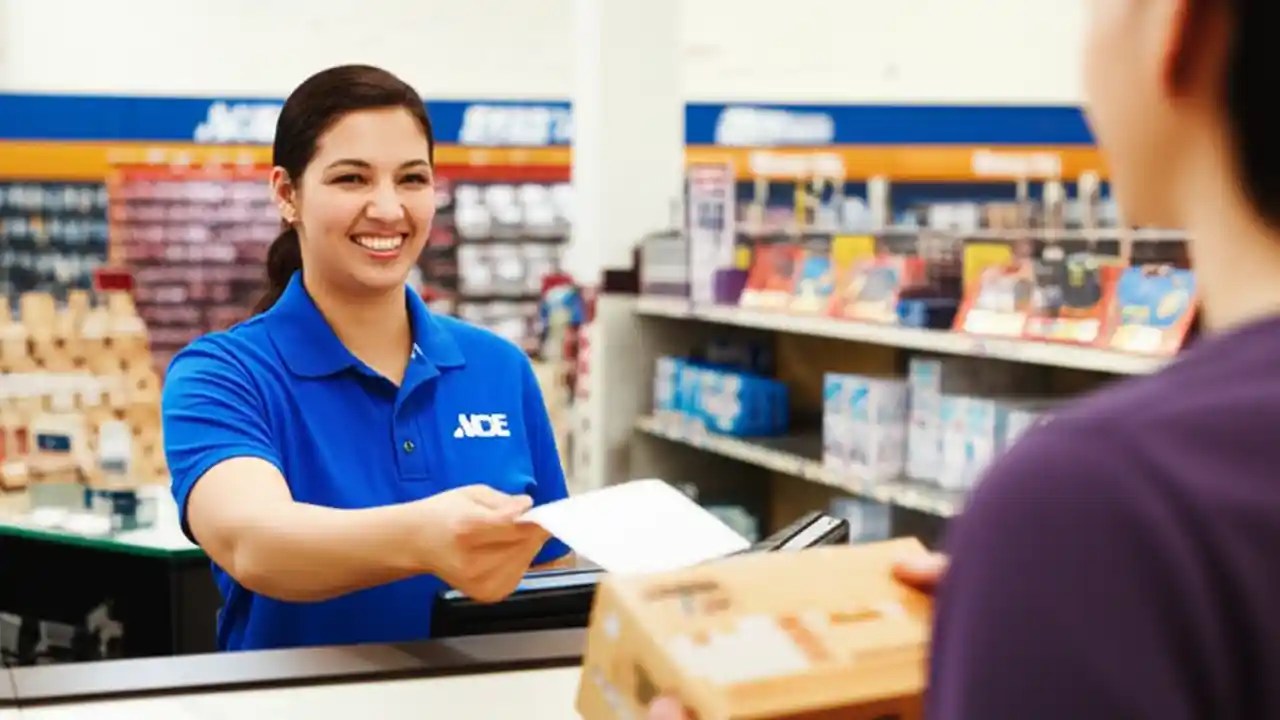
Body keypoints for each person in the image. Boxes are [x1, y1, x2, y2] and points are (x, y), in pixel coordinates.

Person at [656, 0, 1280, 717]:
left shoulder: (1104, 502)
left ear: (1177, 25)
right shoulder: (1115, 526)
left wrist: (1059, 564)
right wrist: (1036, 617)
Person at [160, 64, 573, 652]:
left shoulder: (500, 369)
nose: (388, 208)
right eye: (352, 178)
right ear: (287, 194)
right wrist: (423, 538)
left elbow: (550, 575)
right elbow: (253, 543)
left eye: (412, 179)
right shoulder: (224, 376)